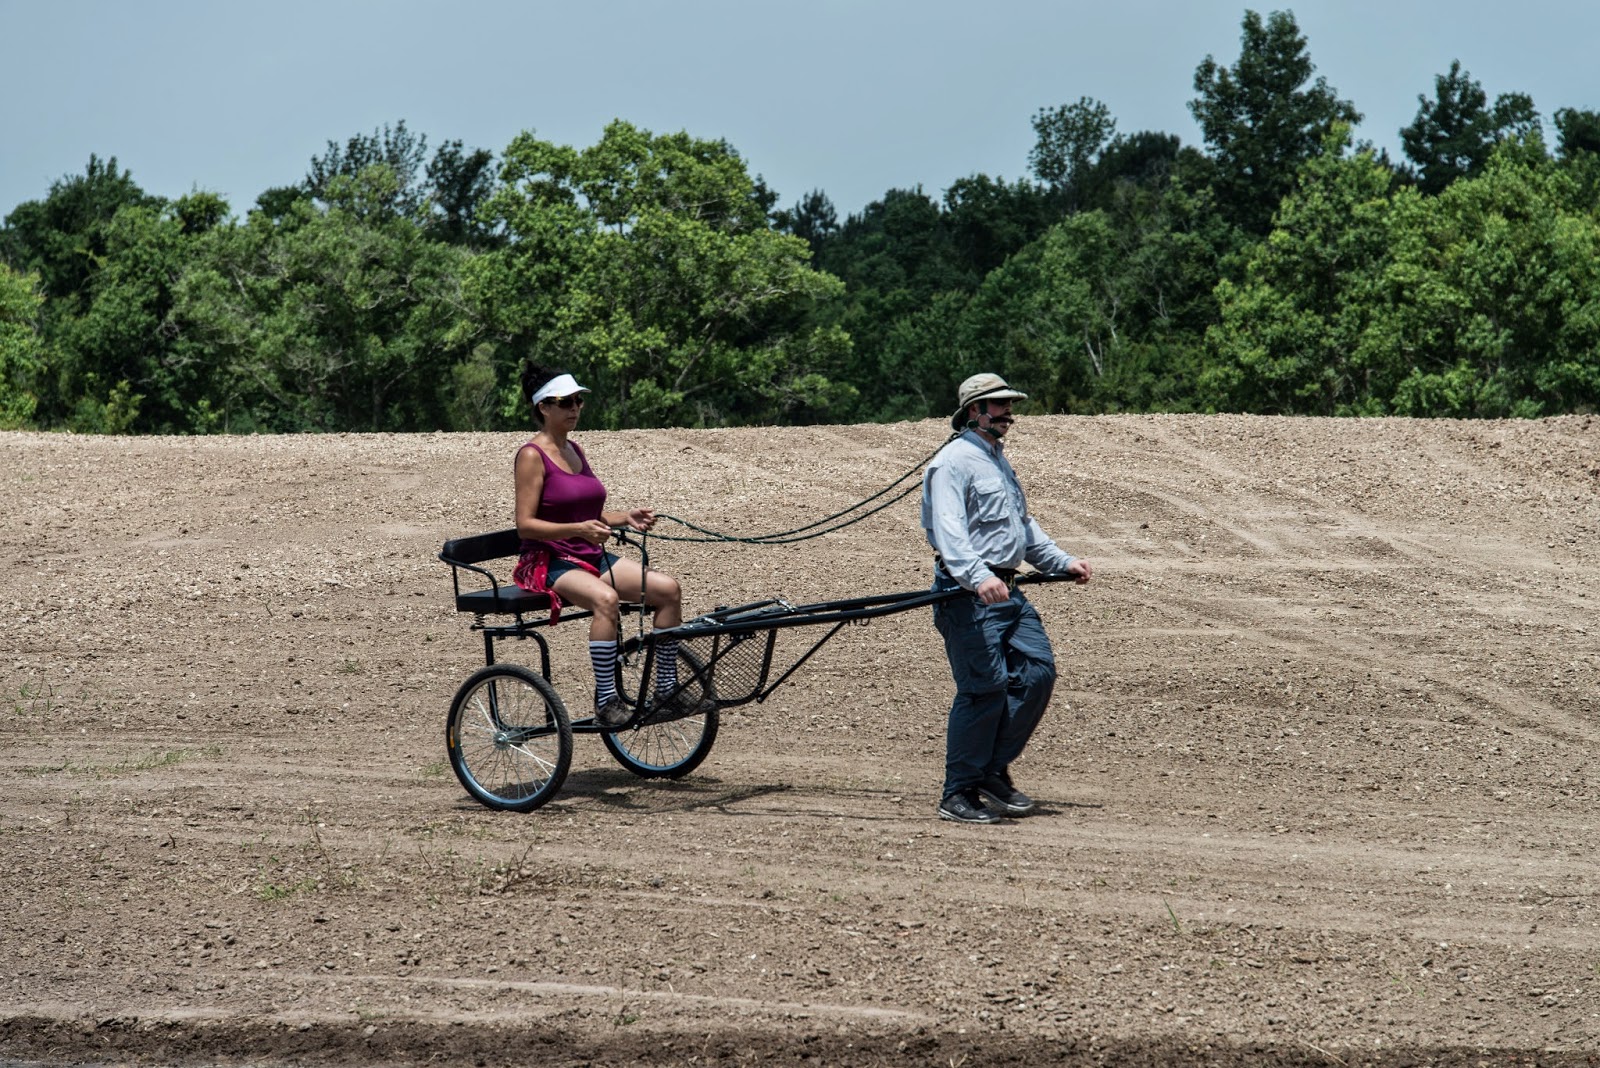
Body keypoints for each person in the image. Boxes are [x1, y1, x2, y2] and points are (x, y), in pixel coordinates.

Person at [920, 373, 1092, 824]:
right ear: (974, 411)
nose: (1008, 414)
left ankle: (990, 770)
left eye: (1008, 405)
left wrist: (1060, 560)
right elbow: (951, 533)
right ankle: (957, 793)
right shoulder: (952, 463)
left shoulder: (997, 459)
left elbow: (1021, 527)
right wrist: (977, 577)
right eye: (998, 406)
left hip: (1007, 590)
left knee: (1038, 673)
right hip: (968, 594)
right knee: (983, 690)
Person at [512, 363, 713, 728]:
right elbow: (525, 524)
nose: (574, 408)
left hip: (590, 553)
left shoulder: (574, 450)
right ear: (543, 407)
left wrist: (623, 517)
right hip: (550, 560)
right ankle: (607, 700)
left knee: (668, 590)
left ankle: (665, 689)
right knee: (606, 602)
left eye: (578, 401)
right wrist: (578, 529)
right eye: (565, 402)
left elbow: (584, 509)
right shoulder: (531, 456)